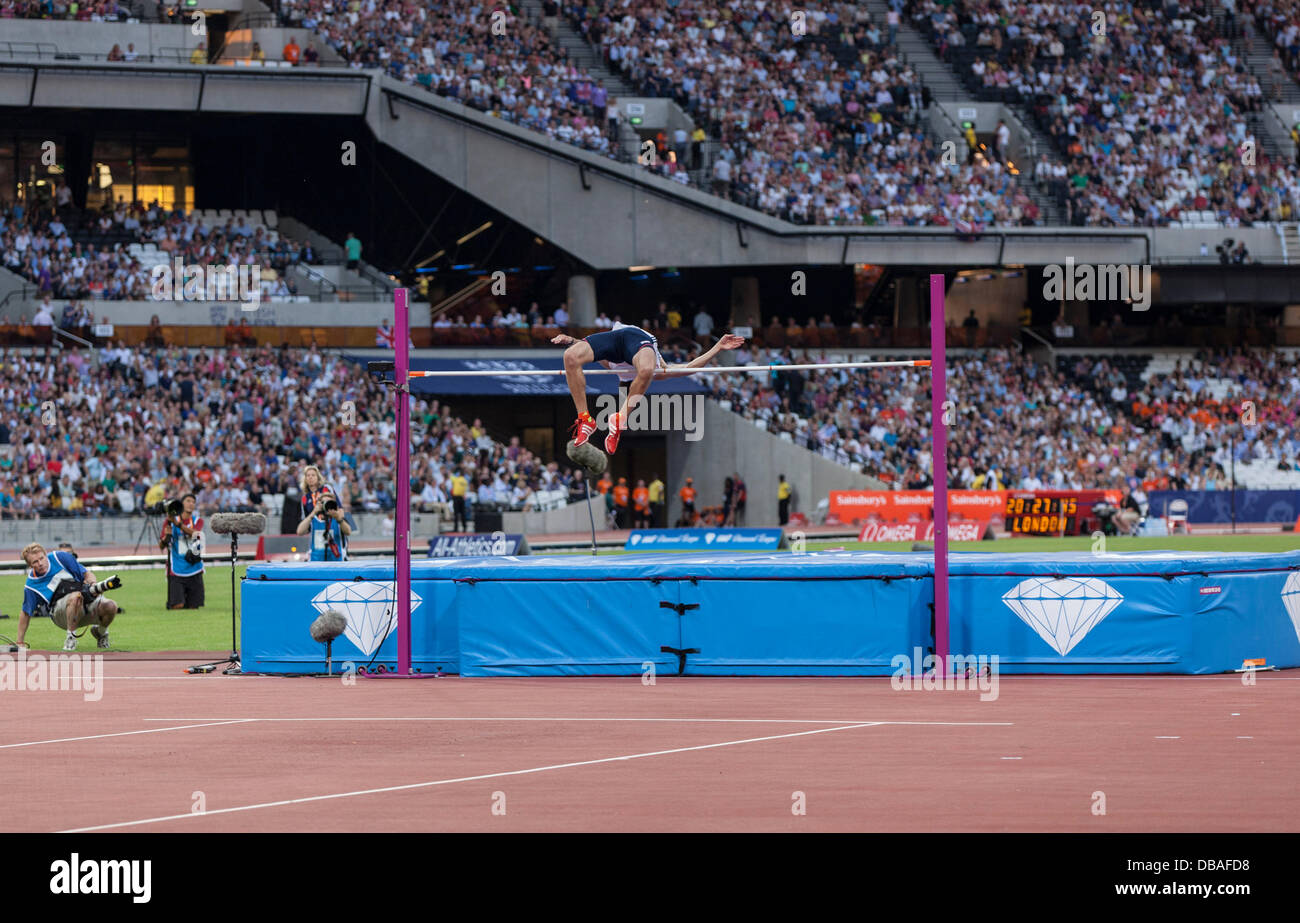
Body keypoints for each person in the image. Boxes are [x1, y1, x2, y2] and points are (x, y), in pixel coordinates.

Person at [551, 325, 743, 455]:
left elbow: (582, 346)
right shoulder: (652, 370)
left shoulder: (623, 367)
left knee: (646, 370)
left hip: (634, 341)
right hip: (622, 339)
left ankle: (618, 419)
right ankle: (586, 419)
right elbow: (690, 367)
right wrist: (717, 347)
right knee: (570, 357)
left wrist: (571, 340)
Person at [19, 542, 120, 651]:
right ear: (30, 566)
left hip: (84, 604)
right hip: (60, 616)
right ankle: (70, 638)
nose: (40, 563)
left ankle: (101, 633)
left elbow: (87, 574)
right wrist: (20, 641)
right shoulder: (31, 585)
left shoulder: (60, 558)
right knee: (75, 597)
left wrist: (93, 585)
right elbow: (26, 613)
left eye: (42, 558)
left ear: (46, 554)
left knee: (111, 606)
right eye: (35, 562)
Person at [161, 493, 205, 610]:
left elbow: (196, 534)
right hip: (177, 568)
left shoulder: (197, 520)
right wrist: (167, 536)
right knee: (178, 606)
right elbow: (161, 546)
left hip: (194, 567)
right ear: (182, 504)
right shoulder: (169, 521)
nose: (191, 504)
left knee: (194, 607)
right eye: (188, 501)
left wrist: (178, 524)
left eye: (193, 502)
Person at [297, 488, 351, 560]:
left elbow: (348, 532)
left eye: (329, 502)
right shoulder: (313, 520)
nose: (327, 505)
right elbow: (300, 532)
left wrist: (338, 518)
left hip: (337, 563)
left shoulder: (340, 520)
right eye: (323, 502)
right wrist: (313, 513)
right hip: (316, 563)